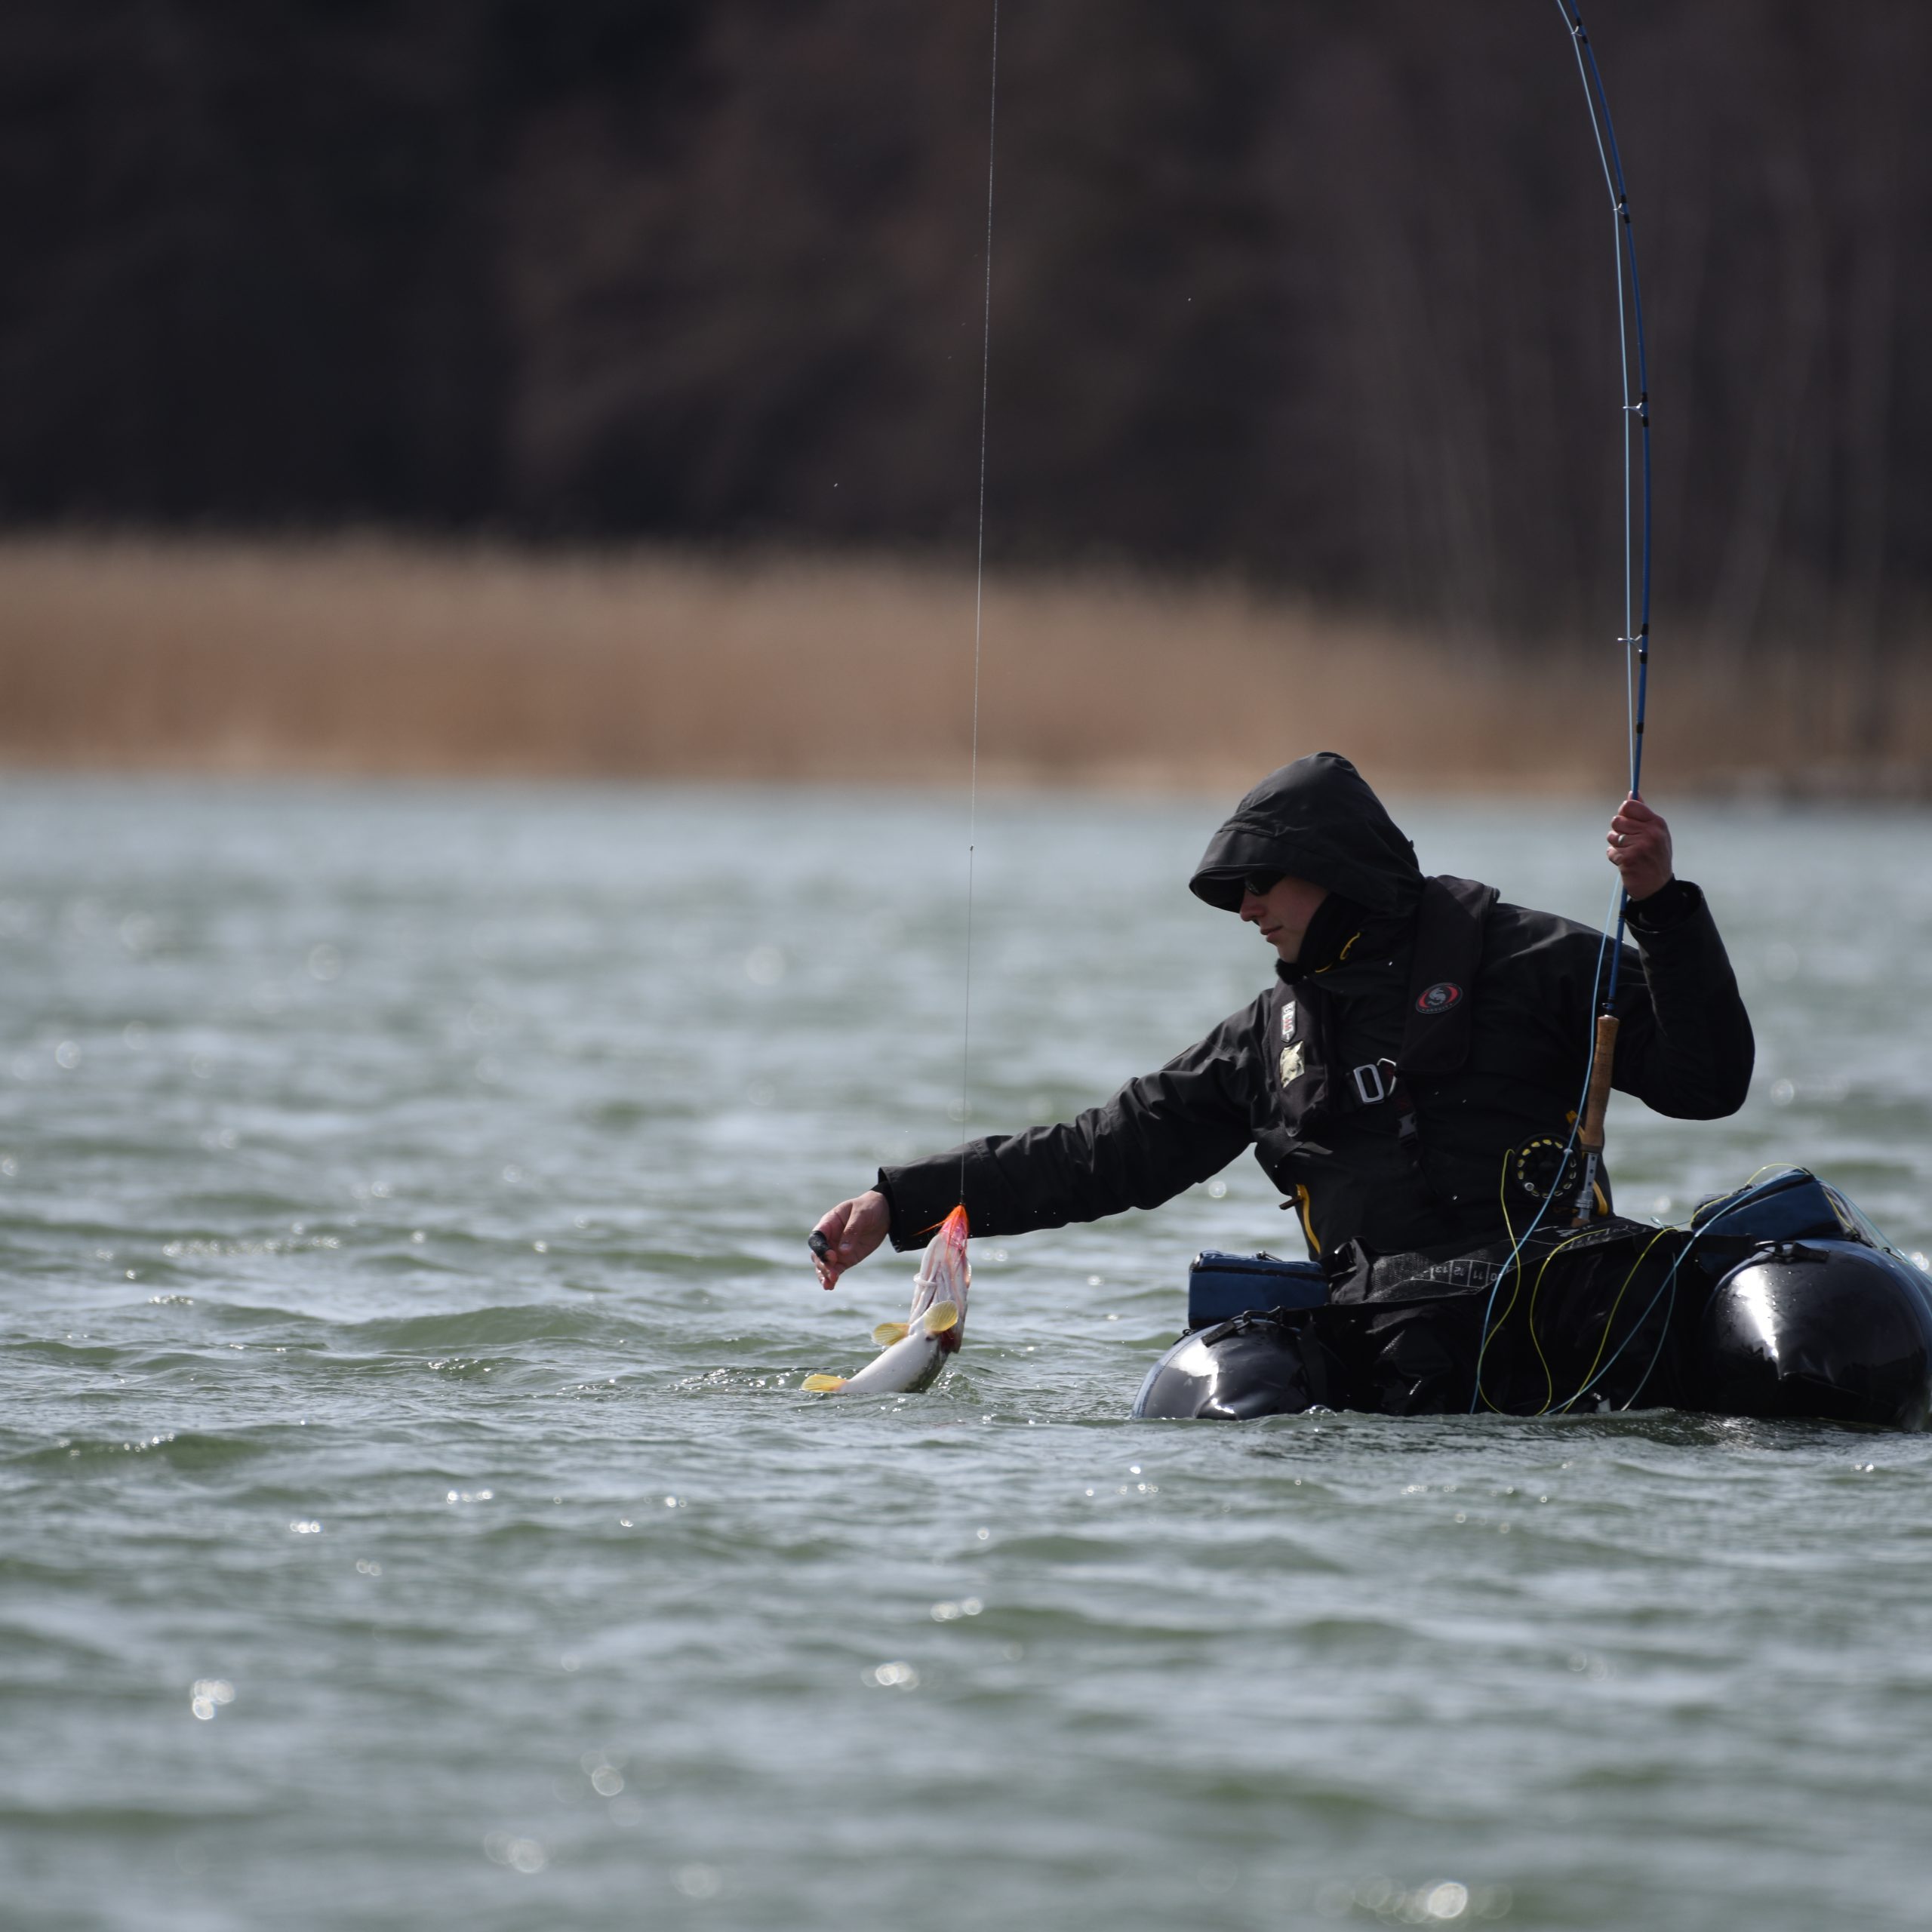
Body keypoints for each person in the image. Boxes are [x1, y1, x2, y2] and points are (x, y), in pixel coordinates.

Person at [811, 752, 1753, 1303]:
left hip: (1553, 1306)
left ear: (1332, 869)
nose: (1248, 908)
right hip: (1384, 1339)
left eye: (1262, 882)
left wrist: (1661, 907)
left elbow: (1707, 1084)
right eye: (1234, 893)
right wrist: (905, 1201)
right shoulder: (1264, 1042)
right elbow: (1100, 1152)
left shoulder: (1536, 958)